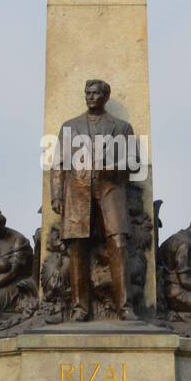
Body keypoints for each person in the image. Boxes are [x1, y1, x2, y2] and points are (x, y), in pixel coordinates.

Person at [50, 79, 140, 321]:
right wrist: (57, 194)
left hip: (111, 190)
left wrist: (112, 168)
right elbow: (59, 164)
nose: (90, 97)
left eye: (96, 93)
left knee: (119, 244)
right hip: (77, 192)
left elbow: (134, 161)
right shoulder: (70, 127)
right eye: (87, 93)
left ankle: (125, 307)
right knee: (77, 247)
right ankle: (79, 308)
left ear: (106, 96)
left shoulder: (122, 127)